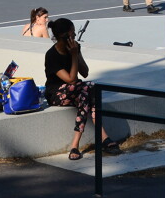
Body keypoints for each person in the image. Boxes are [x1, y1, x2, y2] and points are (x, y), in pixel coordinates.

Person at [44, 17, 117, 160]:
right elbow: (70, 79)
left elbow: (84, 72)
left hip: (77, 90)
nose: (75, 36)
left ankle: (76, 145)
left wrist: (76, 54)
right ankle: (103, 139)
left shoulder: (75, 48)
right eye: (72, 34)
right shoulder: (52, 55)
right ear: (64, 36)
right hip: (57, 93)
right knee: (88, 89)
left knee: (88, 92)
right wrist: (73, 55)